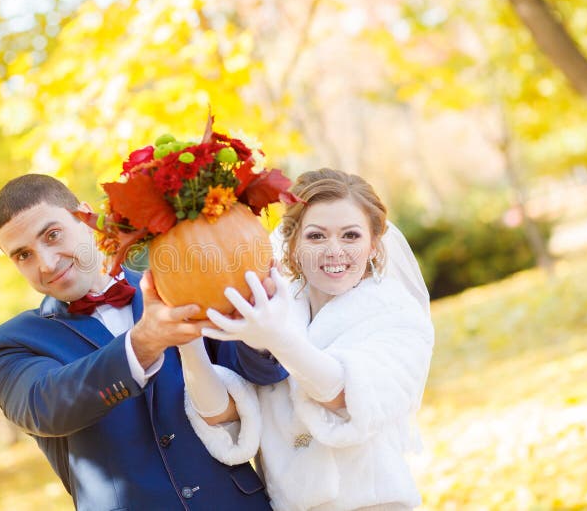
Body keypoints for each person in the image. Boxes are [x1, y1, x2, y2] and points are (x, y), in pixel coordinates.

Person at [0, 174, 288, 510]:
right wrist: (142, 344)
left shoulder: (179, 283)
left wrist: (260, 330)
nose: (47, 262)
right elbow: (45, 406)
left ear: (85, 218)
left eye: (52, 235)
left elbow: (257, 372)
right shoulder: (11, 343)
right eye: (23, 255)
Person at [180, 168, 435, 510]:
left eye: (351, 236)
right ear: (294, 244)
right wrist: (187, 340)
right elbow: (227, 417)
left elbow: (347, 396)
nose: (334, 250)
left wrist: (278, 339)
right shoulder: (273, 311)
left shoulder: (398, 314)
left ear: (374, 245)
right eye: (316, 236)